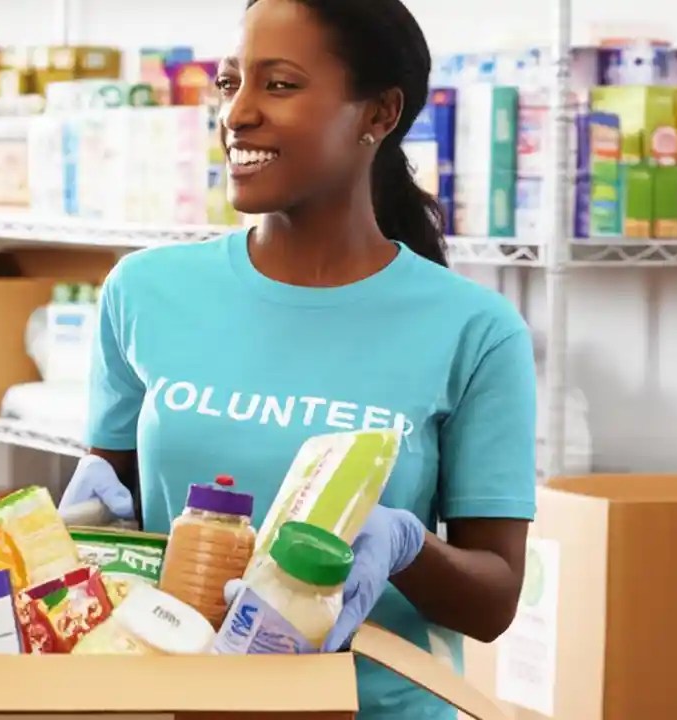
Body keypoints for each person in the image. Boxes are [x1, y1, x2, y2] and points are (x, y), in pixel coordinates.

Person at [59, 0, 535, 717]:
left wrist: (409, 547)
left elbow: (494, 601)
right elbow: (109, 521)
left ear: (378, 112)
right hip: (178, 702)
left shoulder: (475, 329)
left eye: (278, 85)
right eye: (229, 84)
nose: (237, 114)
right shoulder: (145, 292)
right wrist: (77, 529)